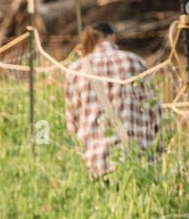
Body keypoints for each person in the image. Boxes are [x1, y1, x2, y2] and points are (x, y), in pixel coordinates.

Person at [64, 22, 163, 177]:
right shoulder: (136, 62)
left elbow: (72, 122)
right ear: (113, 37)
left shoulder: (77, 69)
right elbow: (156, 113)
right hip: (137, 161)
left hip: (94, 163)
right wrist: (159, 151)